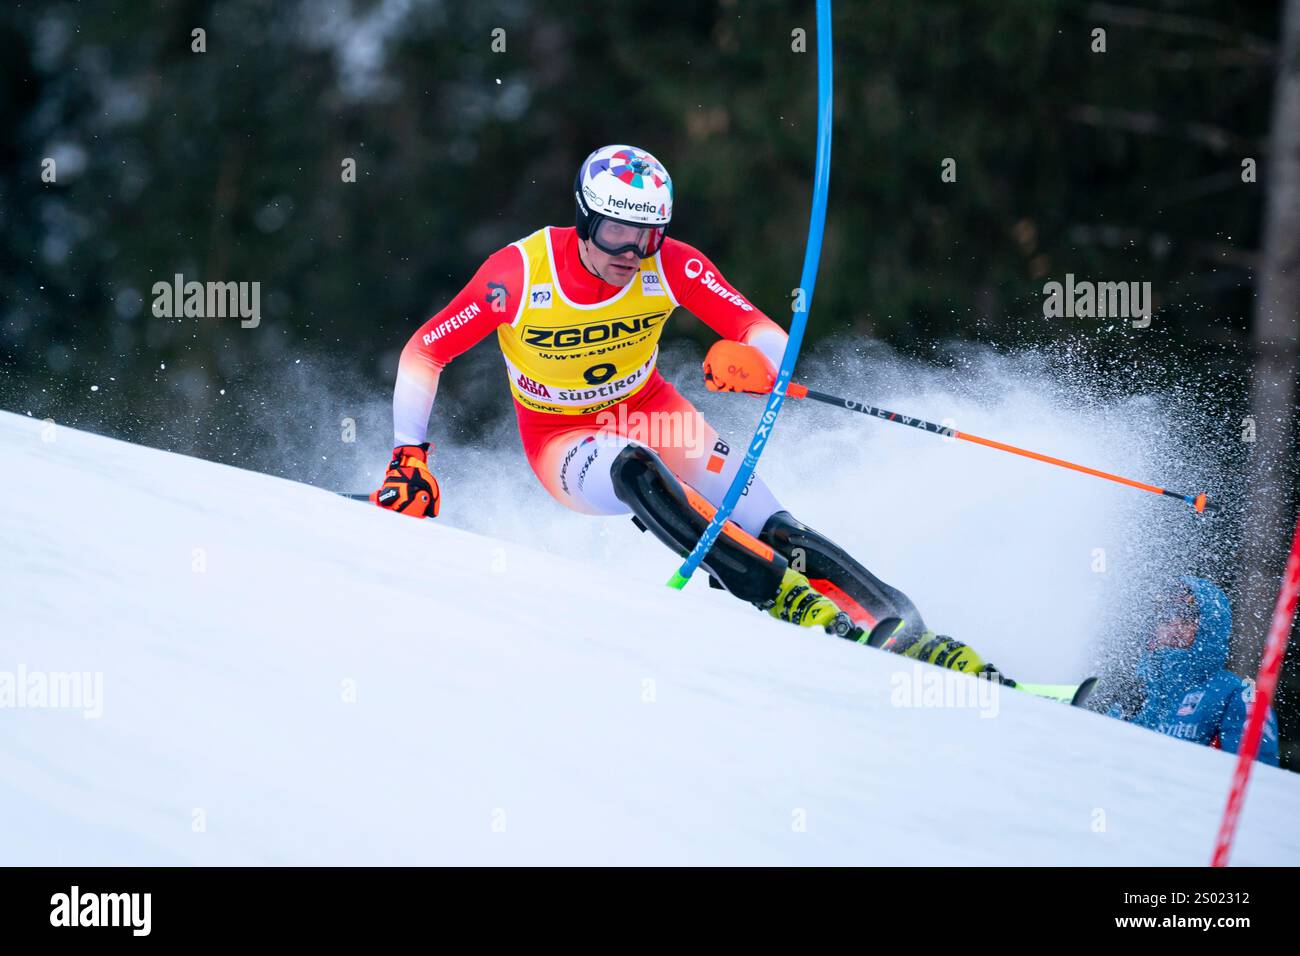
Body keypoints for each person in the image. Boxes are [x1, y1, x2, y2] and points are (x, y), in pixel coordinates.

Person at [372, 143, 1012, 681]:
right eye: (617, 231)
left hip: (650, 407)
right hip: (561, 436)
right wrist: (410, 453)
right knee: (637, 471)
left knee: (775, 525)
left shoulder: (670, 264)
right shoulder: (519, 272)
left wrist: (762, 364)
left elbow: (763, 331)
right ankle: (786, 603)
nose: (631, 251)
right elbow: (425, 352)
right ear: (584, 219)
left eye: (648, 235)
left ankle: (909, 633)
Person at [1109, 576, 1279, 765]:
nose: (1174, 627)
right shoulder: (1133, 691)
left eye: (1187, 617)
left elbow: (1255, 779)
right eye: (1165, 618)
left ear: (1210, 627)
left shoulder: (1239, 695)